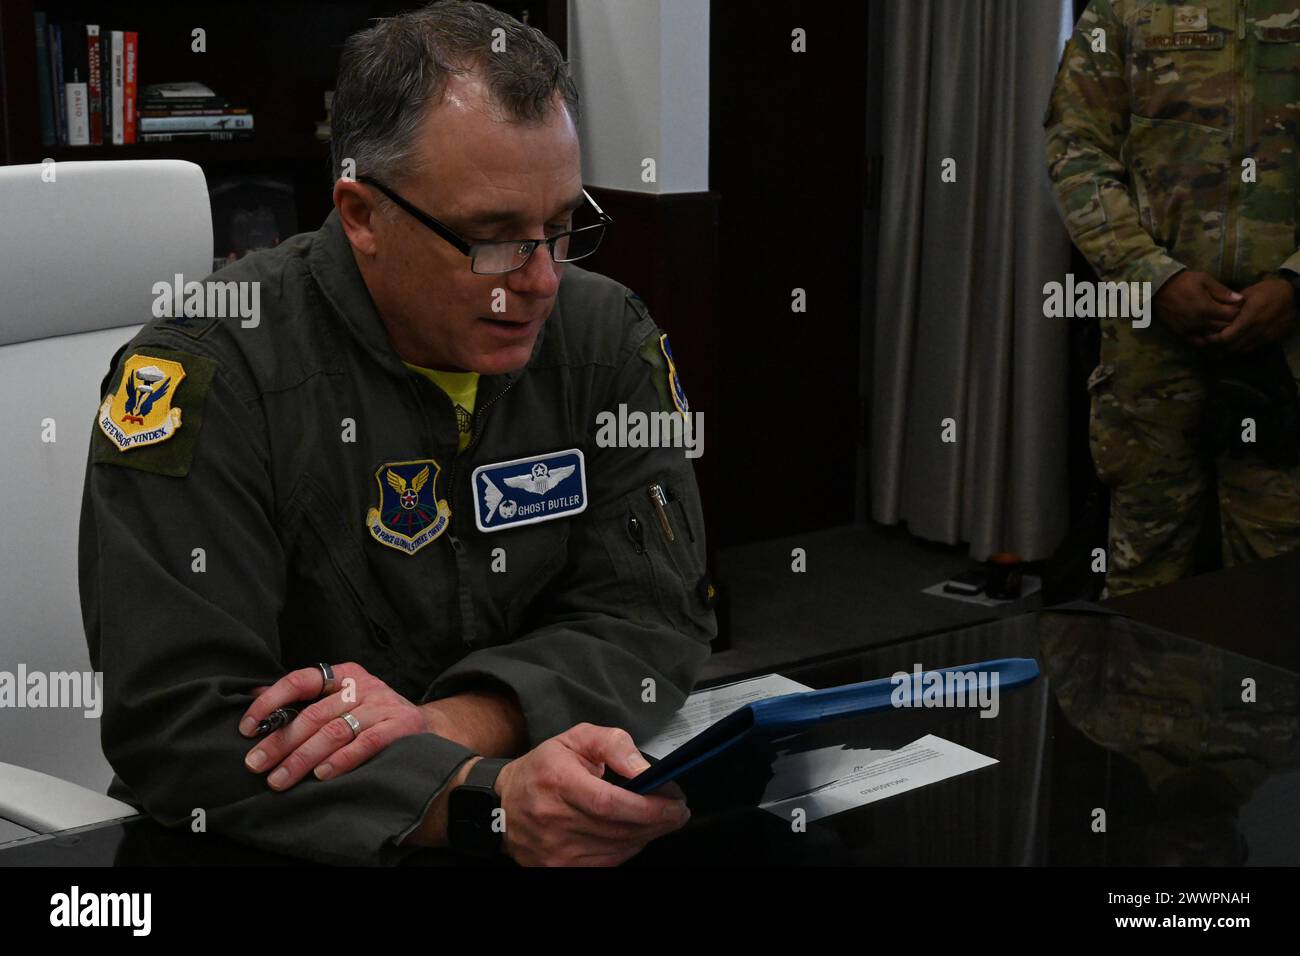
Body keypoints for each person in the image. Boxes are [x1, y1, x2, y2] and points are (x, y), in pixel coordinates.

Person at [79, 1, 715, 866]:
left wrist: (457, 722)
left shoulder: (605, 338)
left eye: (562, 226)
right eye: (491, 239)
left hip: (548, 807)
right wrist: (468, 794)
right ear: (362, 214)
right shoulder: (204, 380)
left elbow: (655, 610)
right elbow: (178, 722)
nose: (538, 280)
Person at [1044, 0, 1300, 596]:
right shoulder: (1123, 9)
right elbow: (1075, 151)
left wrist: (1294, 284)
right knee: (1146, 574)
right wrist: (1150, 276)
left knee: (1280, 588)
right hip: (1152, 347)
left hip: (1287, 353)